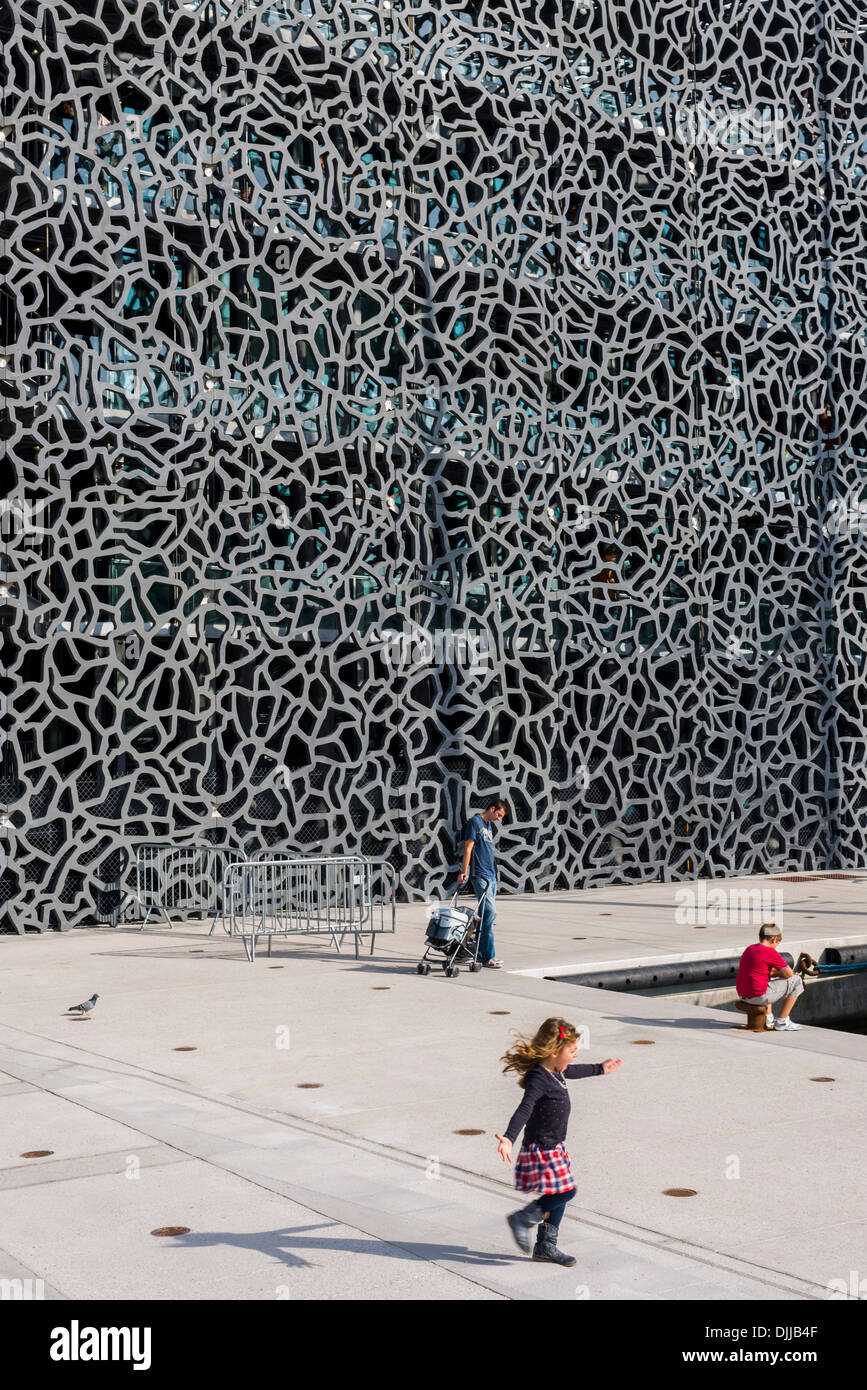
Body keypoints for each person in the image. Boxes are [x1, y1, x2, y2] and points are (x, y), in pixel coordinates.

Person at [495, 1017, 622, 1266]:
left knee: (560, 1194)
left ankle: (545, 1246)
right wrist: (509, 1138)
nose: (574, 1056)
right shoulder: (538, 1078)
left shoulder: (557, 1071)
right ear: (554, 1052)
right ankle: (524, 1218)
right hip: (541, 1147)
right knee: (567, 1191)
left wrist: (600, 1068)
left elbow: (575, 1070)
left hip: (554, 1145)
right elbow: (525, 1108)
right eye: (572, 1051)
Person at [457, 797, 506, 968]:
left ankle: (479, 954)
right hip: (481, 876)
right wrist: (464, 872)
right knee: (490, 914)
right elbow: (468, 848)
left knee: (488, 917)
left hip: (491, 875)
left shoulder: (489, 826)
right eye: (499, 815)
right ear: (492, 809)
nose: (499, 819)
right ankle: (487, 958)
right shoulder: (475, 822)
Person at [736, 922, 804, 1031]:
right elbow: (789, 974)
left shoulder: (750, 949)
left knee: (766, 980)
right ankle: (782, 1021)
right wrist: (786, 974)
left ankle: (768, 1018)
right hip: (758, 997)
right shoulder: (770, 952)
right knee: (796, 981)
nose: (776, 946)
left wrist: (775, 973)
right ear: (773, 939)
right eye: (777, 943)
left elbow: (761, 972)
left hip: (742, 995)